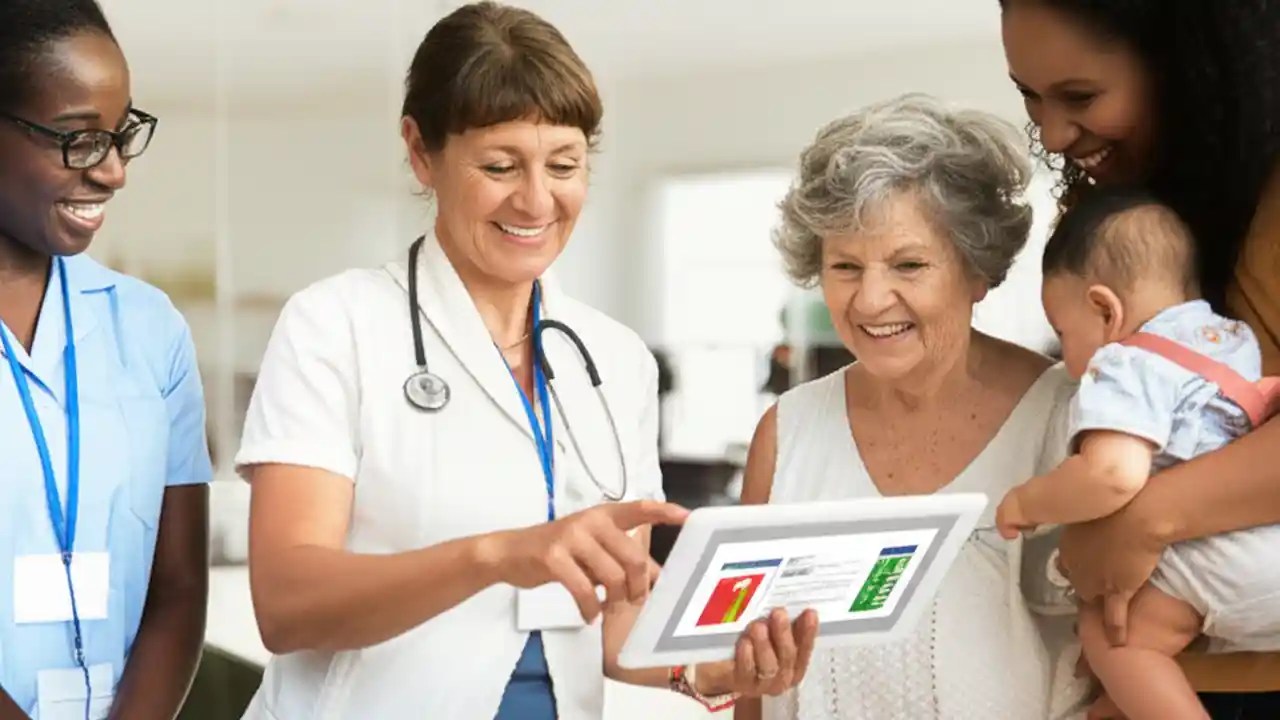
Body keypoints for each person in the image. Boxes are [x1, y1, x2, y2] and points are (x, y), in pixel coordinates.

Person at [234, 4, 816, 719]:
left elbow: (616, 630)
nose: (538, 199)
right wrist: (497, 556)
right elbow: (289, 604)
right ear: (421, 152)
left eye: (565, 165)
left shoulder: (616, 362)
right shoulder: (335, 326)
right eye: (500, 165)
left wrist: (718, 667)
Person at [734, 92, 1089, 720]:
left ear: (977, 271)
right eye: (845, 266)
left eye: (909, 264)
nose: (870, 301)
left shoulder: (1070, 418)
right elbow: (754, 688)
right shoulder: (788, 432)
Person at [998, 1, 1280, 715]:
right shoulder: (1112, 223)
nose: (1054, 134)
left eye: (1081, 96)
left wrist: (1138, 519)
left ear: (1181, 70)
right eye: (1028, 96)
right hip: (1181, 662)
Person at [0, 1, 213, 718]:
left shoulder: (151, 331)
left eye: (120, 136)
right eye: (78, 140)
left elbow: (179, 586)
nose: (114, 171)